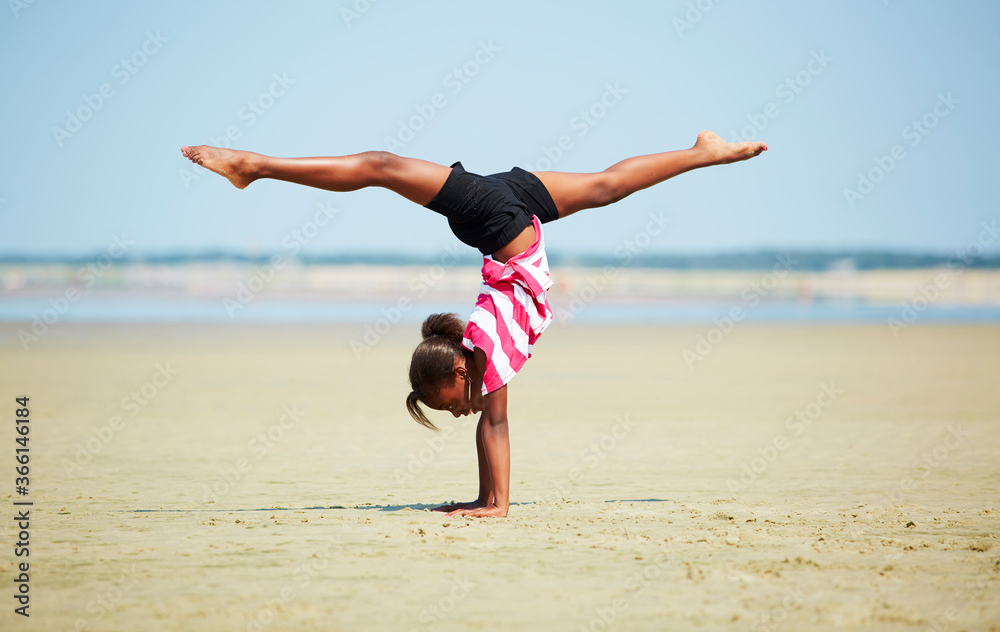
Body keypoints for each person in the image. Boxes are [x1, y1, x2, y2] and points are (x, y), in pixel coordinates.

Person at [181, 131, 767, 518]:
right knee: (605, 189)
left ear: (461, 367)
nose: (459, 410)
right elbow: (492, 421)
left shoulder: (485, 345)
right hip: (507, 215)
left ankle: (251, 165)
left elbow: (495, 424)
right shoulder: (478, 355)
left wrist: (497, 507)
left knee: (380, 167)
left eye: (451, 401)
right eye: (451, 409)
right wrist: (485, 499)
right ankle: (703, 151)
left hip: (497, 220)